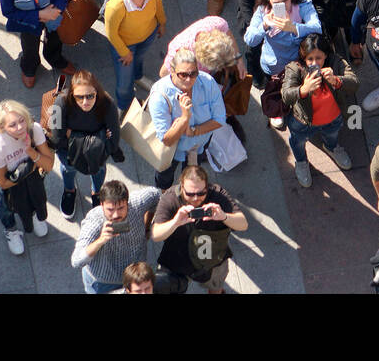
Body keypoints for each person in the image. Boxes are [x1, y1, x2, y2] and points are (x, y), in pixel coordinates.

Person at [151, 165, 249, 293]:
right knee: (162, 286)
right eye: (190, 194)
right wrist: (175, 222)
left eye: (201, 193)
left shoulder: (218, 195)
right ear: (181, 186)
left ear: (207, 186)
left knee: (215, 288)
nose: (196, 198)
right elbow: (155, 235)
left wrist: (224, 217)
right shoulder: (170, 198)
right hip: (177, 258)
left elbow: (243, 224)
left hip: (212, 260)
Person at [280, 33, 356, 187]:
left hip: (333, 117)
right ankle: (301, 162)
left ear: (326, 55)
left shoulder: (336, 63)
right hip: (303, 122)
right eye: (310, 59)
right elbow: (286, 96)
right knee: (298, 143)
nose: (314, 63)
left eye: (319, 58)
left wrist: (337, 80)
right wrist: (303, 89)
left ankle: (331, 148)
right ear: (303, 58)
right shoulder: (295, 68)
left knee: (332, 135)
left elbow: (355, 84)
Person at [243, 0, 321, 117]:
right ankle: (278, 111)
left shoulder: (303, 4)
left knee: (298, 88)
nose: (282, 6)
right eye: (276, 3)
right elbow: (249, 40)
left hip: (298, 62)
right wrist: (264, 26)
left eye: (285, 1)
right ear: (269, 0)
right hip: (274, 65)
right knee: (276, 91)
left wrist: (293, 27)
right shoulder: (262, 11)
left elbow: (317, 28)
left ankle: (298, 106)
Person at [51, 69, 123, 219]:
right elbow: (57, 140)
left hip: (96, 154)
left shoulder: (107, 104)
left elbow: (114, 141)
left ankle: (97, 193)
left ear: (96, 93)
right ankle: (69, 191)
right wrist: (99, 137)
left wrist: (72, 135)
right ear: (72, 95)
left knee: (98, 171)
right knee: (68, 169)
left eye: (90, 96)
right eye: (79, 97)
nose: (85, 102)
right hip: (69, 153)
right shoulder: (59, 104)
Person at [149, 49, 226, 189]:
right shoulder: (159, 96)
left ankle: (187, 193)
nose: (189, 79)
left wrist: (195, 131)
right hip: (173, 152)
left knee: (192, 177)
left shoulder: (207, 83)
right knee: (165, 176)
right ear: (172, 71)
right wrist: (185, 117)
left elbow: (219, 118)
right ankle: (162, 194)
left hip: (199, 145)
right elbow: (167, 140)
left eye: (193, 73)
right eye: (183, 74)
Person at [0, 99, 54, 255]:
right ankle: (10, 229)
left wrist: (30, 151)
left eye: (22, 120)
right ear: (1, 126)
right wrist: (31, 166)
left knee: (36, 197)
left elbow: (49, 165)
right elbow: (3, 182)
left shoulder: (34, 129)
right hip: (12, 184)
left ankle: (34, 215)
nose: (20, 128)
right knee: (8, 207)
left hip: (32, 180)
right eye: (12, 125)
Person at [71, 178, 160, 294]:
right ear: (101, 204)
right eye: (110, 209)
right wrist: (100, 240)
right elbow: (77, 261)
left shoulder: (137, 203)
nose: (116, 214)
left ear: (127, 202)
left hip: (135, 275)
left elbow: (156, 195)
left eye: (121, 208)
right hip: (105, 282)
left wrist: (147, 225)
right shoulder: (94, 221)